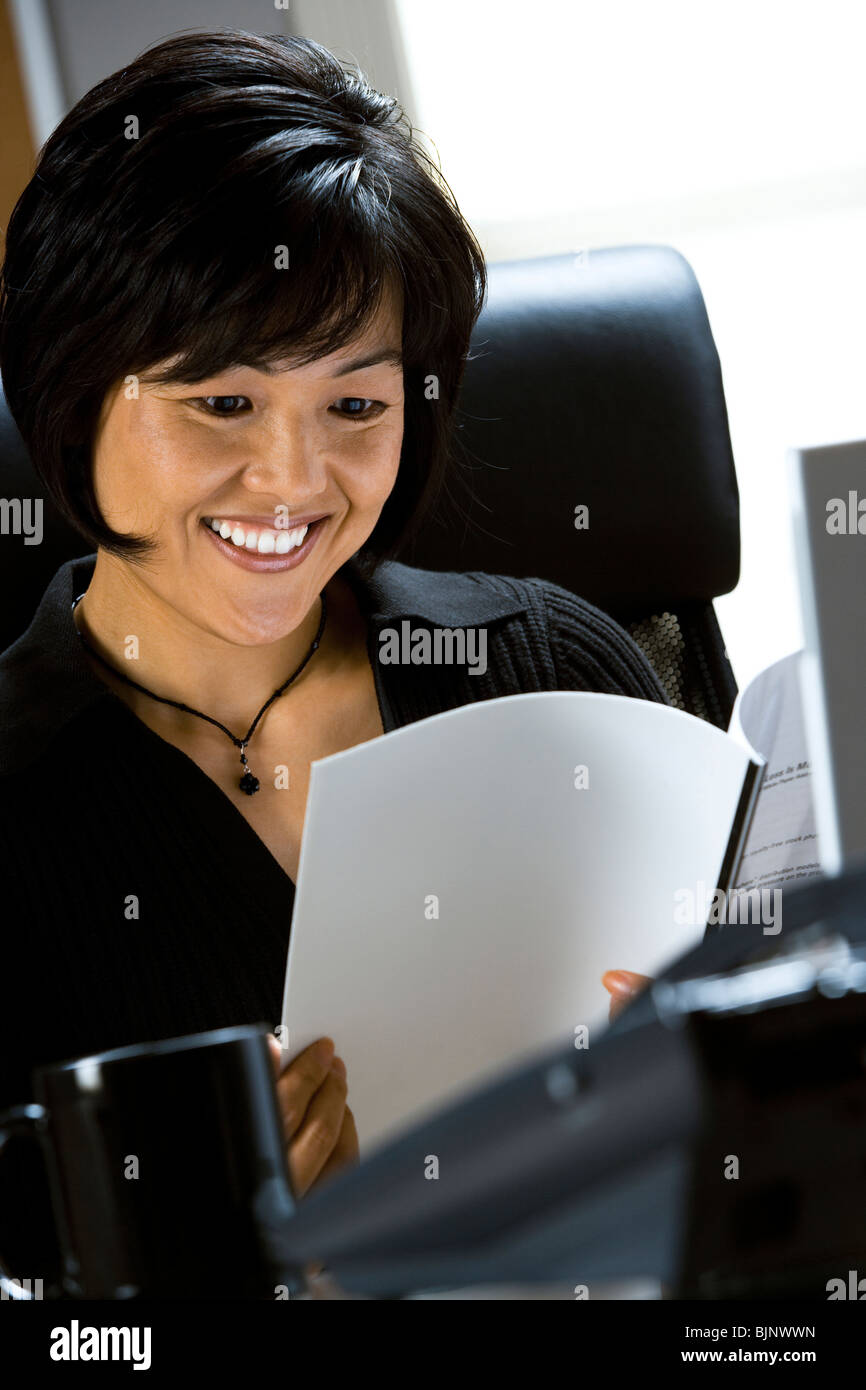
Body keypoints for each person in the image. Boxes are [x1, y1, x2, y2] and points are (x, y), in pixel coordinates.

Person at [0, 30, 665, 1270]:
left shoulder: (561, 669)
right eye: (222, 403)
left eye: (356, 405)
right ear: (70, 388)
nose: (294, 481)